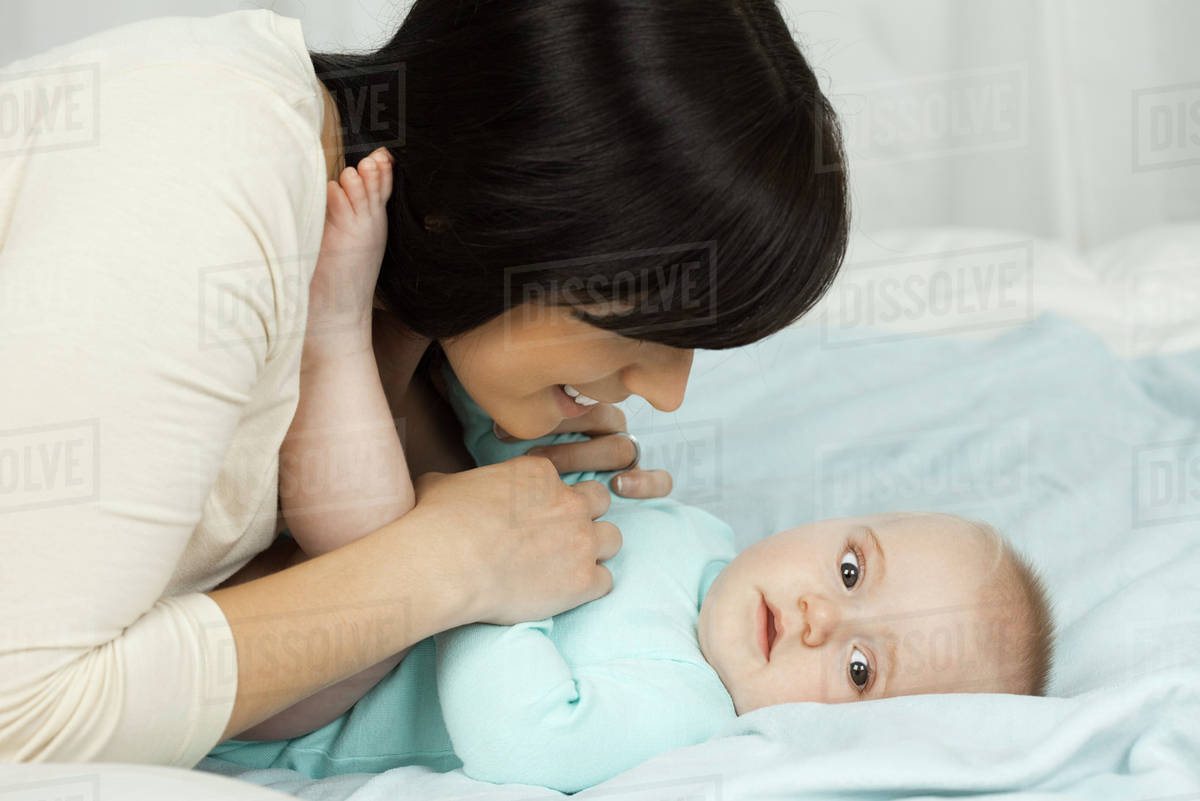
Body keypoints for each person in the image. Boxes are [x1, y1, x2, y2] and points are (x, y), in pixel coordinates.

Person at [0, 0, 849, 764]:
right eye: (638, 328)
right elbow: (20, 718)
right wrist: (447, 563)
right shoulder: (208, 185)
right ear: (484, 197)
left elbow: (214, 645)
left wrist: (477, 492)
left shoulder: (411, 361)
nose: (667, 395)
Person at [202, 359, 1055, 793]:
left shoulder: (689, 709)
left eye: (861, 671)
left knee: (371, 512)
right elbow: (540, 491)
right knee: (403, 459)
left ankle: (341, 338)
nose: (816, 616)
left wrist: (494, 579)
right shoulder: (700, 533)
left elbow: (518, 740)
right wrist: (549, 443)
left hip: (304, 697)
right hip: (334, 570)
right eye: (848, 568)